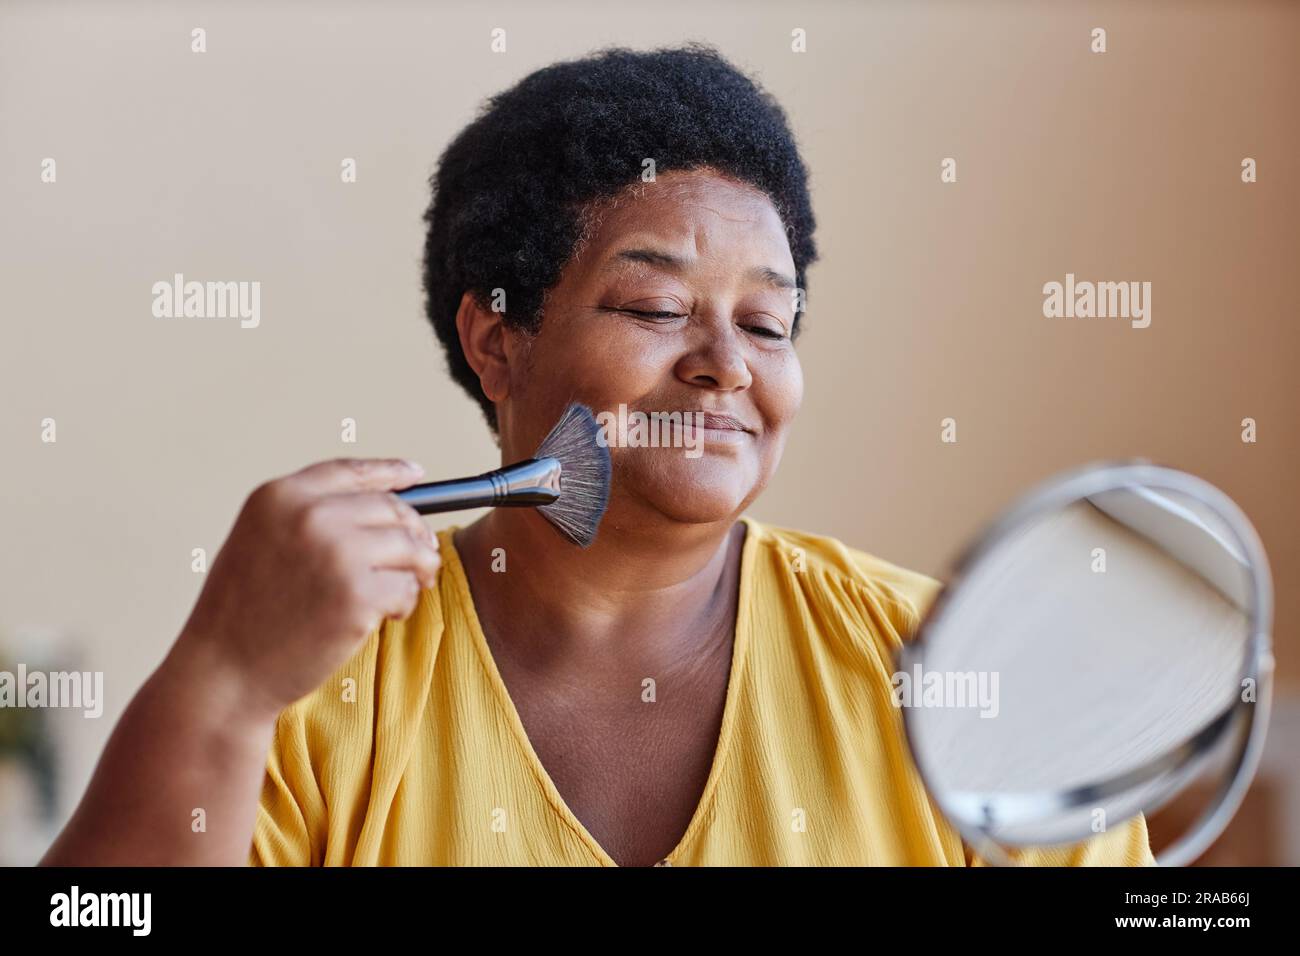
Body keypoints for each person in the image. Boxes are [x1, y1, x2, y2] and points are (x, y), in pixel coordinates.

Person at [40, 43, 1153, 867]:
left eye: (768, 324)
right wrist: (220, 686)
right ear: (498, 340)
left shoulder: (953, 674)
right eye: (656, 305)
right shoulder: (315, 693)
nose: (726, 363)